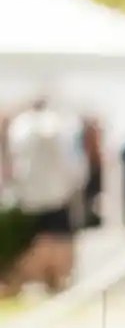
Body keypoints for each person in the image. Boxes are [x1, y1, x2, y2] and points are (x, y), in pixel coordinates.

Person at [4, 98, 88, 293]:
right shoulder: (55, 126)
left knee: (45, 240)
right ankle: (53, 278)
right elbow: (70, 162)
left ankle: (49, 279)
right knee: (55, 240)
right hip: (54, 195)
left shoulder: (22, 127)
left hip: (34, 196)